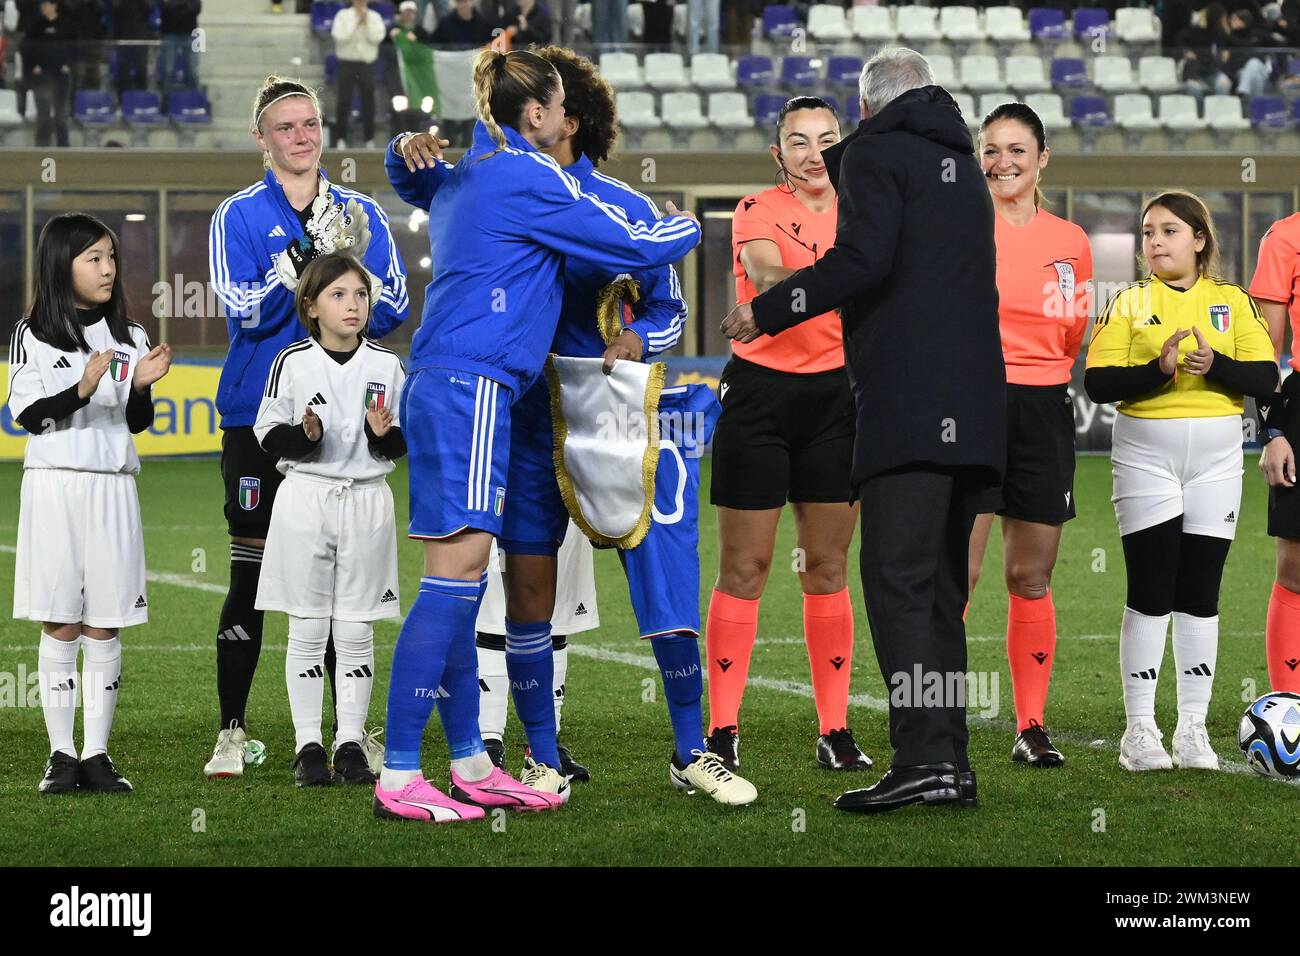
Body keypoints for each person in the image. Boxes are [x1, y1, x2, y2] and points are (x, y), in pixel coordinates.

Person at [377, 47, 701, 821]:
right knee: (453, 582)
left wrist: (399, 155)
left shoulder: (470, 174)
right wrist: (687, 219)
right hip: (476, 387)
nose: (566, 120)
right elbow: (641, 247)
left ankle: (469, 760)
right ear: (538, 115)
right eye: (559, 107)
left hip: (451, 383)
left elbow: (414, 178)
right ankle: (397, 774)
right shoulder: (528, 175)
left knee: (460, 582)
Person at [721, 48, 1007, 814]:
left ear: (870, 108)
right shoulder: (961, 166)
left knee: (898, 582)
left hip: (909, 407)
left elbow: (861, 259)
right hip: (976, 407)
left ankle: (923, 760)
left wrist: (770, 308)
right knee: (940, 592)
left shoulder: (880, 151)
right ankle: (948, 762)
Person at [204, 75, 408, 780]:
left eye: (311, 124)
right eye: (286, 127)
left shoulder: (360, 210)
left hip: (352, 419)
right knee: (253, 568)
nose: (301, 136)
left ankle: (344, 736)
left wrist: (346, 281)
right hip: (259, 416)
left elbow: (396, 306)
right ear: (262, 139)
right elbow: (241, 309)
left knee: (341, 578)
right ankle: (233, 729)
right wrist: (300, 263)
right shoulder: (236, 213)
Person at [1085, 191, 1277, 772]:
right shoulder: (1126, 302)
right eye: (1147, 233)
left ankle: (1192, 730)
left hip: (1218, 461)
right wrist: (1159, 370)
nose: (1155, 243)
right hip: (1145, 456)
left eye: (1169, 232)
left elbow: (1267, 377)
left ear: (1199, 239)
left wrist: (1213, 364)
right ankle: (1139, 731)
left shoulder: (1233, 301)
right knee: (1150, 589)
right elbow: (1098, 382)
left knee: (1200, 592)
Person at [706, 95, 868, 776]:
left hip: (840, 396)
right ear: (779, 155)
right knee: (746, 568)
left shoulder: (868, 211)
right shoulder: (757, 208)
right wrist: (854, 274)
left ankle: (834, 731)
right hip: (760, 396)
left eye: (826, 139)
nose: (812, 153)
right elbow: (769, 275)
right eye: (797, 142)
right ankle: (720, 732)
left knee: (827, 568)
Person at [8, 213, 173, 795]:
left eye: (110, 257)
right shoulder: (33, 333)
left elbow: (139, 423)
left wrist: (142, 386)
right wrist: (82, 386)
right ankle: (60, 756)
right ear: (62, 264)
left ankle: (97, 756)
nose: (108, 269)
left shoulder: (130, 335)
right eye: (93, 259)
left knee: (105, 624)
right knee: (61, 621)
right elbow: (28, 415)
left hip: (112, 487)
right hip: (54, 485)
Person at [964, 102, 1093, 768]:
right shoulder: (957, 226)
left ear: (1042, 159)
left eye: (1017, 149)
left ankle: (1032, 725)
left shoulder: (1071, 240)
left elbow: (1073, 334)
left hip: (1044, 409)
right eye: (990, 149)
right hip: (971, 402)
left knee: (1031, 575)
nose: (1002, 162)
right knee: (959, 573)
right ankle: (937, 722)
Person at [253, 253, 406, 788]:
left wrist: (382, 434)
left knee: (357, 627)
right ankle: (307, 746)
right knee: (308, 626)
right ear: (311, 306)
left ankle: (351, 744)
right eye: (338, 295)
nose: (353, 305)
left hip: (367, 502)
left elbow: (400, 443)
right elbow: (268, 435)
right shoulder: (291, 362)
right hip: (306, 501)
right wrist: (308, 437)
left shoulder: (387, 366)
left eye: (361, 294)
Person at [475, 523, 599, 780]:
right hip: (504, 494)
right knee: (495, 610)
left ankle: (546, 742)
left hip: (565, 491)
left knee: (556, 610)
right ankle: (488, 740)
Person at [1246, 211, 1300, 693]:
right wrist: (1275, 429)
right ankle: (1291, 707)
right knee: (1295, 569)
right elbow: (1266, 354)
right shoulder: (1285, 238)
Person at [331, 0, 385, 148]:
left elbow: (376, 38)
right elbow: (340, 37)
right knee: (344, 101)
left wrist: (366, 22)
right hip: (347, 64)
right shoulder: (343, 15)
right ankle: (341, 138)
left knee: (369, 103)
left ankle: (369, 138)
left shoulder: (374, 17)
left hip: (366, 64)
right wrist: (356, 22)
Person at [20, 0, 73, 148]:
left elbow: (75, 47)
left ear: (54, 6)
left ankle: (64, 149)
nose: (43, 7)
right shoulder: (36, 26)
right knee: (43, 114)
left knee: (61, 115)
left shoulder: (66, 25)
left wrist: (68, 64)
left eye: (46, 4)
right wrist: (33, 66)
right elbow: (25, 48)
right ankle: (42, 148)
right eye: (42, 5)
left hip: (61, 78)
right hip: (42, 78)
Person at [158, 0, 201, 104]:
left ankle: (193, 101)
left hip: (190, 33)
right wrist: (184, 4)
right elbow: (164, 7)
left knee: (193, 71)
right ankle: (166, 102)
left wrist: (174, 6)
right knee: (168, 70)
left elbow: (196, 8)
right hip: (169, 33)